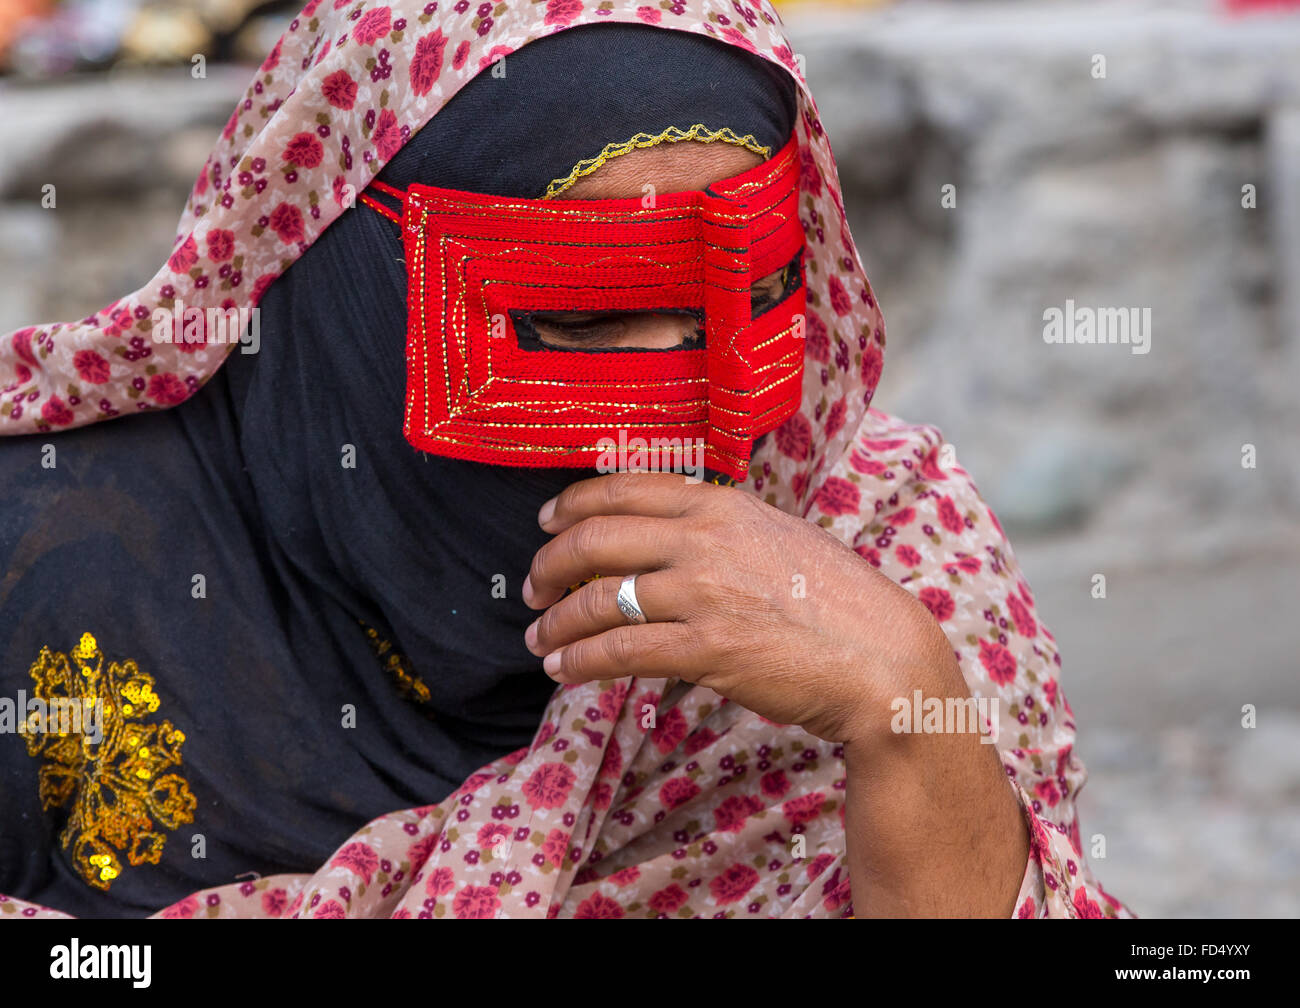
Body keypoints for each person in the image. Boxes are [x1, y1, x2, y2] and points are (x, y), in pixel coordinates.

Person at [0, 0, 1128, 919]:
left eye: (760, 299)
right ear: (345, 273)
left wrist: (906, 714)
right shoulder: (51, 558)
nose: (682, 423)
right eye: (581, 324)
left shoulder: (884, 541)